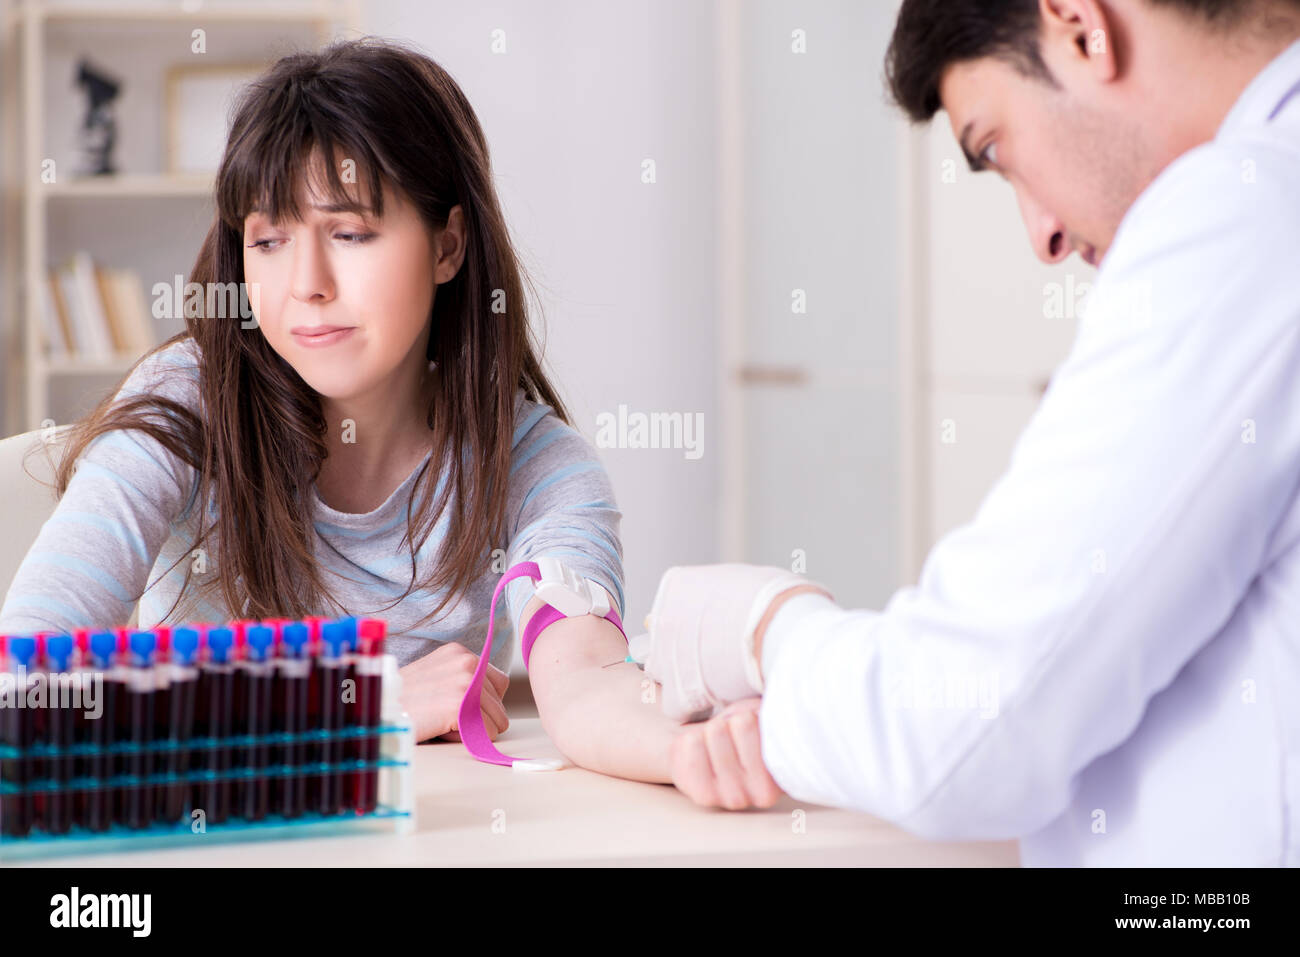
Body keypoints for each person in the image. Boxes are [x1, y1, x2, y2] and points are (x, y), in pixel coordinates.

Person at [646, 0, 1300, 865]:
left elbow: (968, 727)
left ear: (1078, 23)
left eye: (995, 149)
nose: (1045, 236)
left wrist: (769, 628)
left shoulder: (1245, 213)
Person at [0, 38, 697, 790]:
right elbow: (29, 674)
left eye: (351, 233)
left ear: (448, 246)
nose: (306, 283)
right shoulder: (184, 404)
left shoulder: (535, 464)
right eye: (268, 240)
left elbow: (586, 680)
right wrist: (358, 702)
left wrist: (694, 752)